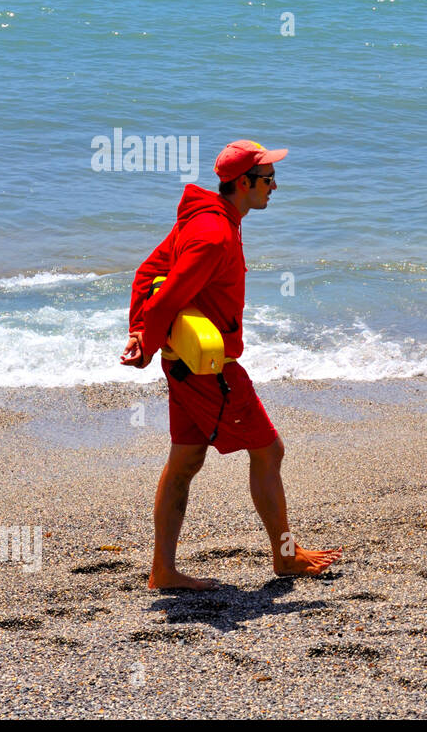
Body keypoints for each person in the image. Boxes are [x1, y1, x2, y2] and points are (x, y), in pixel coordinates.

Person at [121, 140, 341, 590]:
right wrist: (145, 341)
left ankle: (163, 571)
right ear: (243, 183)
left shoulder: (209, 218)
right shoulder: (213, 233)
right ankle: (285, 558)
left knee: (184, 461)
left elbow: (146, 272)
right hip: (207, 369)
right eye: (268, 179)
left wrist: (140, 332)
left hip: (184, 362)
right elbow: (166, 292)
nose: (275, 186)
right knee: (268, 451)